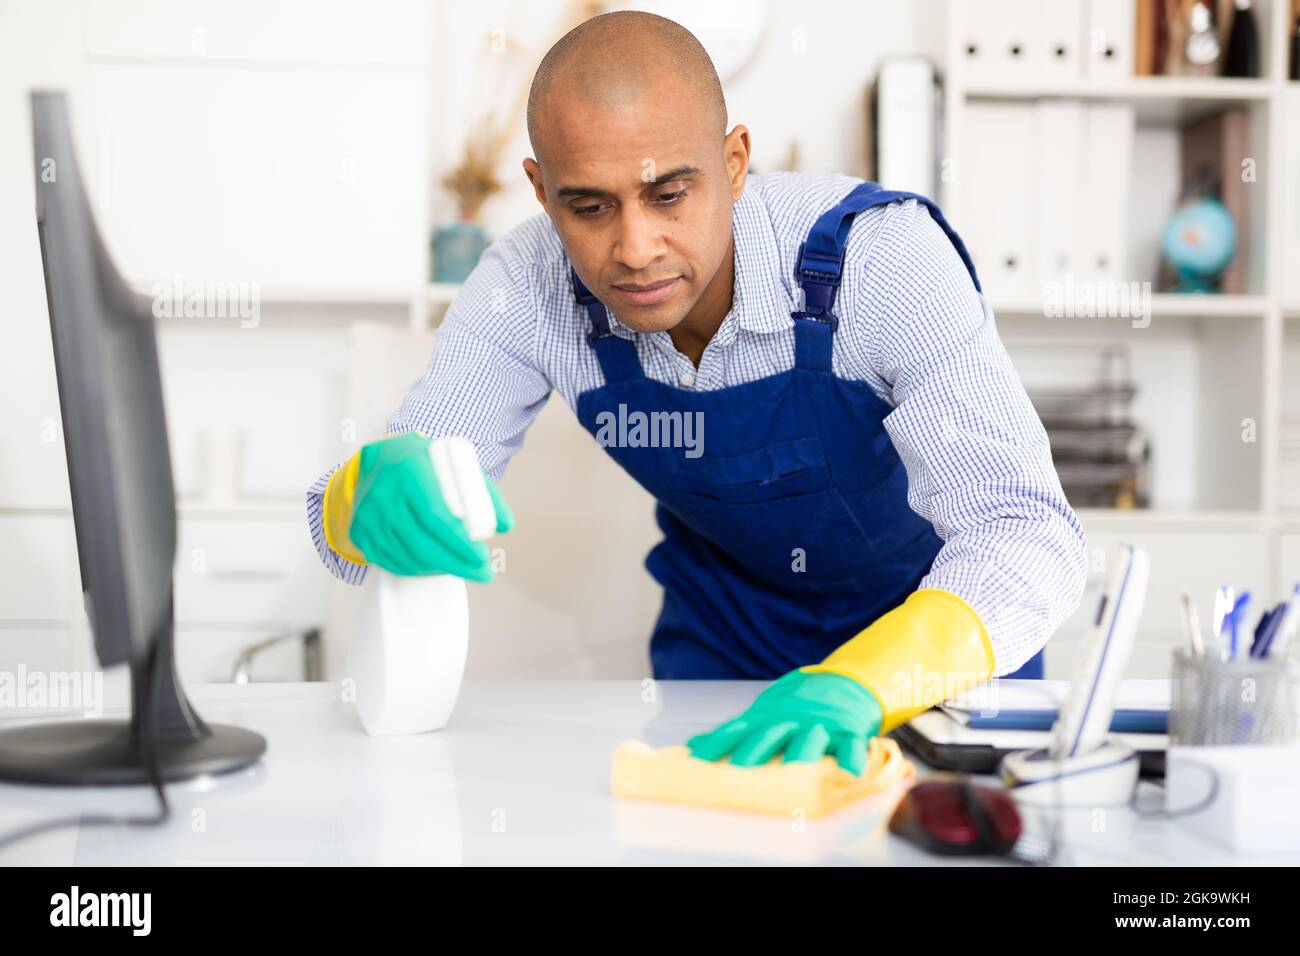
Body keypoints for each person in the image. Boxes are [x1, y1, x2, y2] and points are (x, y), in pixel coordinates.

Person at [306, 11, 1087, 775]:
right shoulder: (526, 288)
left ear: (735, 162)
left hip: (937, 657)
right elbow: (352, 530)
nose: (636, 250)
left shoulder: (881, 261)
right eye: (589, 207)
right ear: (542, 193)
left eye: (670, 194)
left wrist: (865, 682)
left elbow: (1027, 535)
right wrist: (362, 497)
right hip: (724, 657)